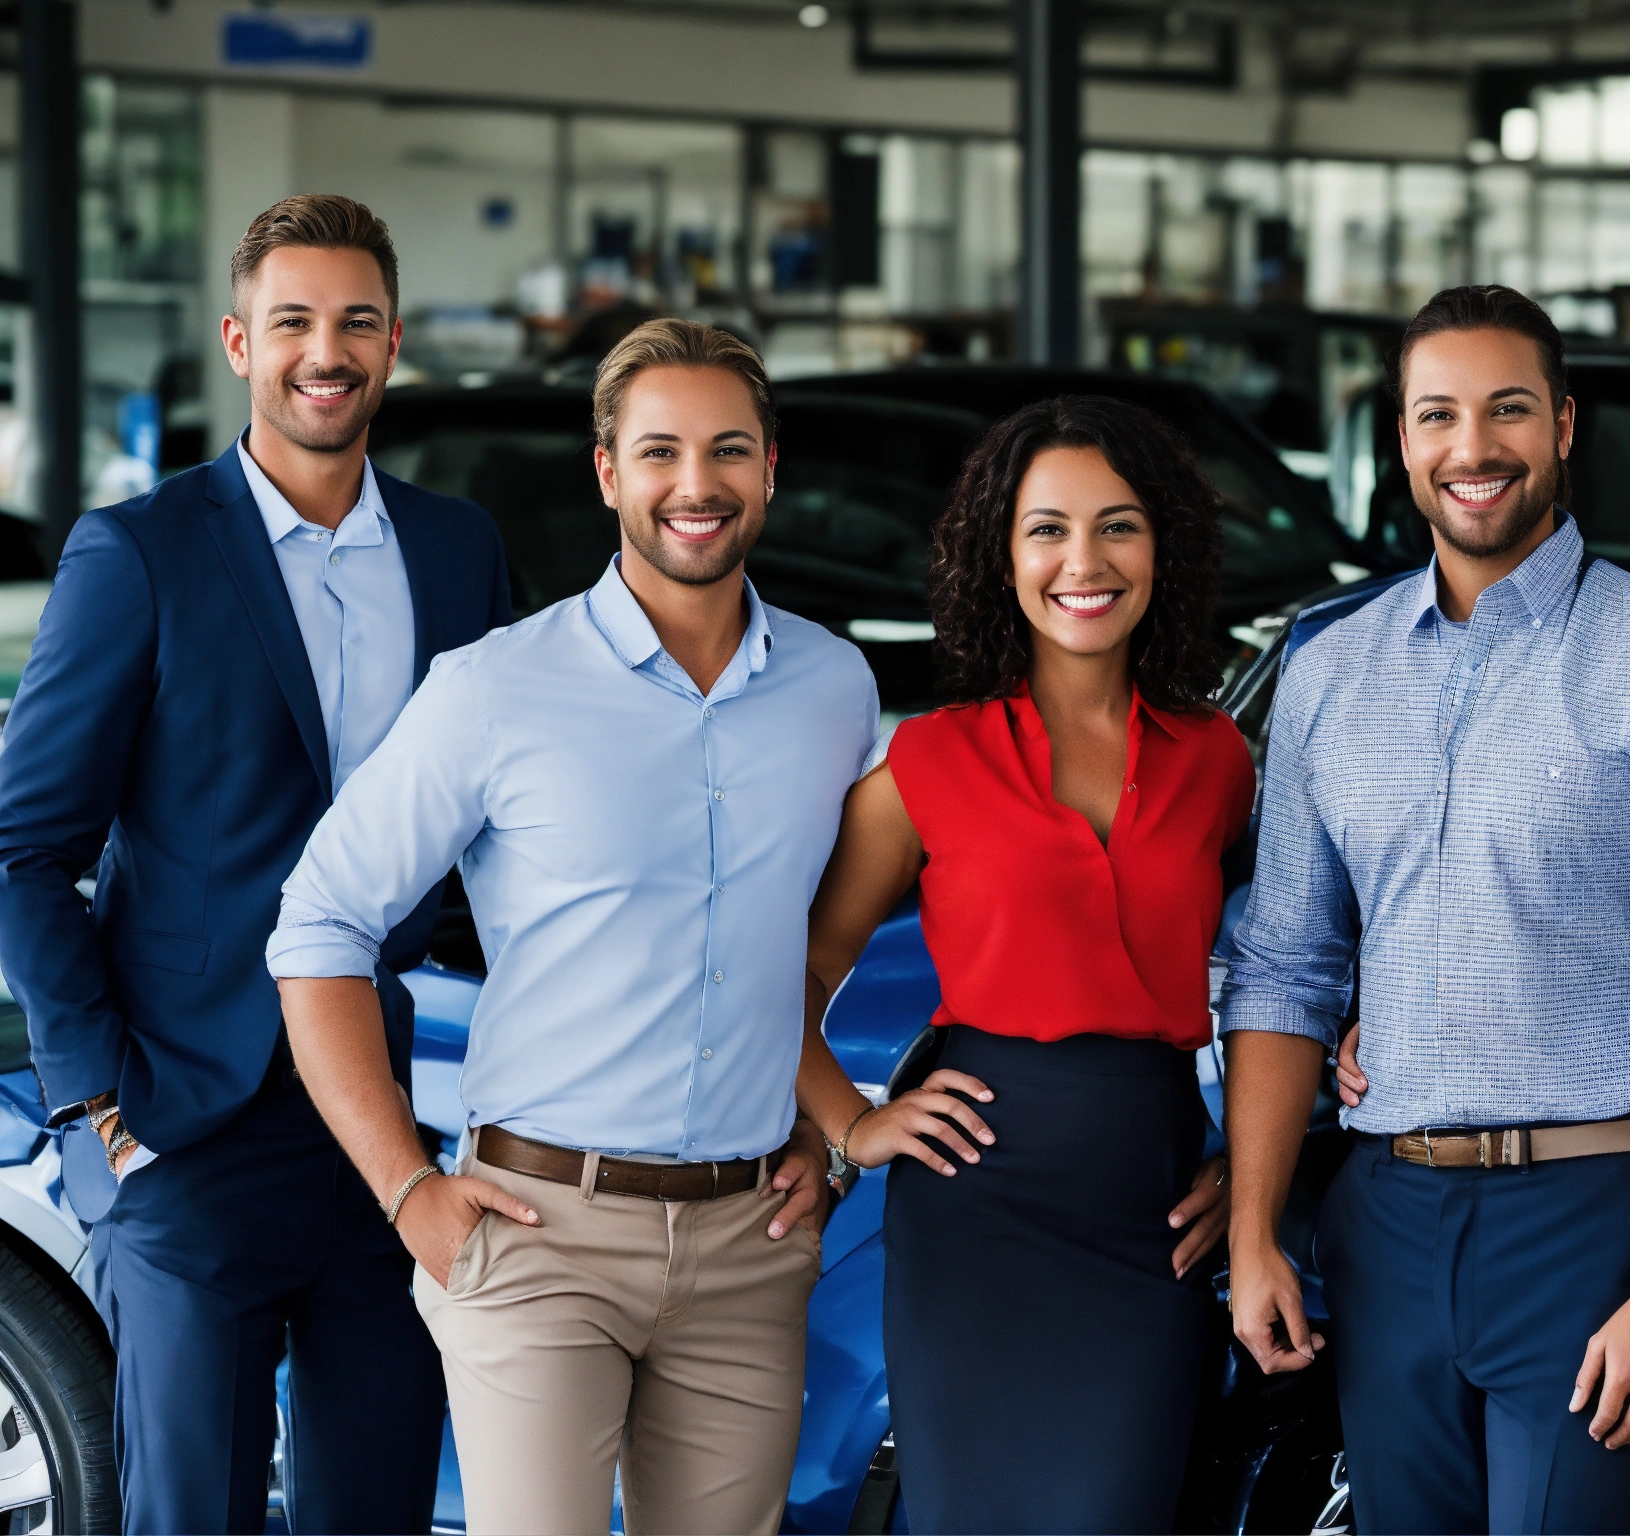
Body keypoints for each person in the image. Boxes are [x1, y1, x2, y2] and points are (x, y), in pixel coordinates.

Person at [1219, 284, 1630, 1535]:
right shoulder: (1329, 670)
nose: (1472, 447)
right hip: (1386, 1222)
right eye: (1438, 415)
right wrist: (1255, 1233)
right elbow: (1285, 968)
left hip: (1595, 1223)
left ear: (1565, 425)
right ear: (1402, 439)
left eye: (1508, 410)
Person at [267, 318, 856, 1535]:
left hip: (750, 1240)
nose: (695, 485)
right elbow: (318, 925)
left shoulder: (835, 689)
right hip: (539, 1239)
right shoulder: (495, 688)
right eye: (659, 453)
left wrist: (821, 1128)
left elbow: (797, 948)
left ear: (770, 468)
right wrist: (406, 1190)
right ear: (606, 473)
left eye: (728, 450)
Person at [0, 195, 508, 1535]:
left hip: (385, 1127)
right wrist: (97, 1108)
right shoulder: (140, 553)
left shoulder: (458, 552)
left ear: (392, 341)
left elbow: (501, 839)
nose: (324, 352)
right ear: (240, 342)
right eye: (292, 322)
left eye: (355, 322)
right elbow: (24, 848)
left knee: (378, 1510)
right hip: (187, 1125)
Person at [788, 395, 1253, 1533]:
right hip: (976, 1219)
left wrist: (1255, 1163)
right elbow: (789, 973)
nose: (1083, 561)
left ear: (1165, 547)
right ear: (1001, 556)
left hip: (1153, 1212)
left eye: (1118, 525)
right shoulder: (927, 761)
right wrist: (852, 1124)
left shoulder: (1219, 760)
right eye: (1047, 529)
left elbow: (1292, 971)